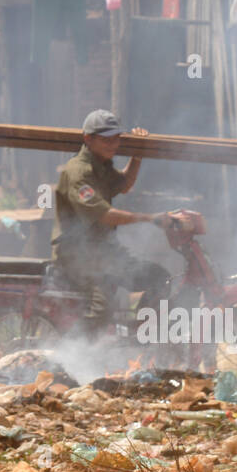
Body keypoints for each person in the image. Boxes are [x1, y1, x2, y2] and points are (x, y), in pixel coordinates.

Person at [51, 109, 175, 334]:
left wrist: (137, 154)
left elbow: (124, 184)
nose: (113, 144)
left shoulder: (101, 165)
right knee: (102, 309)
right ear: (88, 139)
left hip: (104, 253)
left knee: (158, 278)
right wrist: (149, 218)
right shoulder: (79, 172)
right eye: (106, 139)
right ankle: (76, 356)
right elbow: (104, 214)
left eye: (116, 138)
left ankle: (138, 336)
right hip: (80, 256)